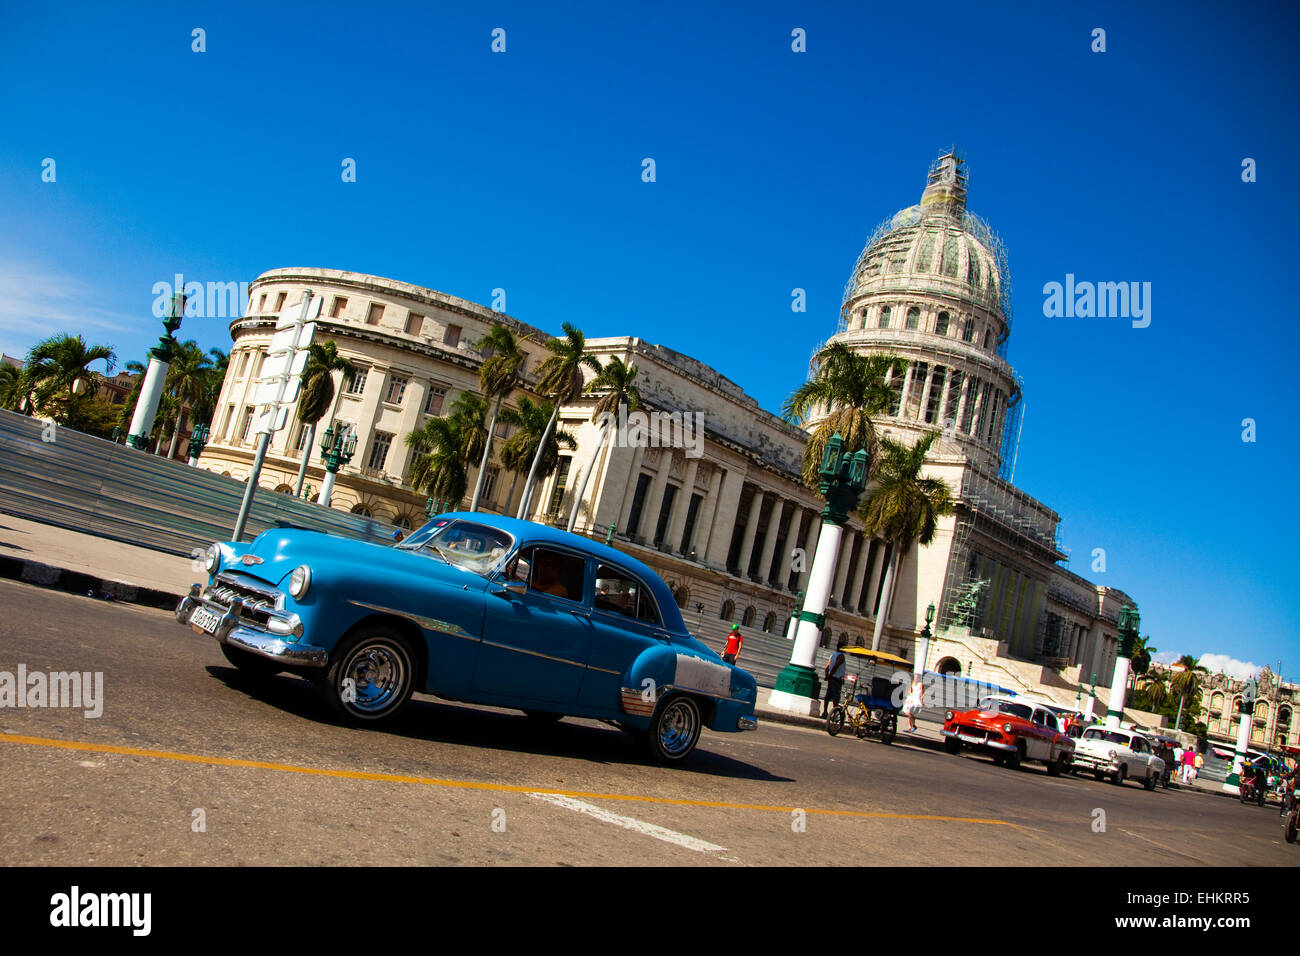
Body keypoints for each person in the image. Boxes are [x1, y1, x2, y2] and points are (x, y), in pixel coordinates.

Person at [822, 642, 847, 717]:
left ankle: (825, 712)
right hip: (836, 679)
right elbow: (835, 666)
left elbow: (826, 667)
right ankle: (834, 713)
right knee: (836, 697)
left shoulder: (832, 656)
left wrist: (827, 676)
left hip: (831, 678)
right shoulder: (841, 656)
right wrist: (829, 675)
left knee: (828, 696)